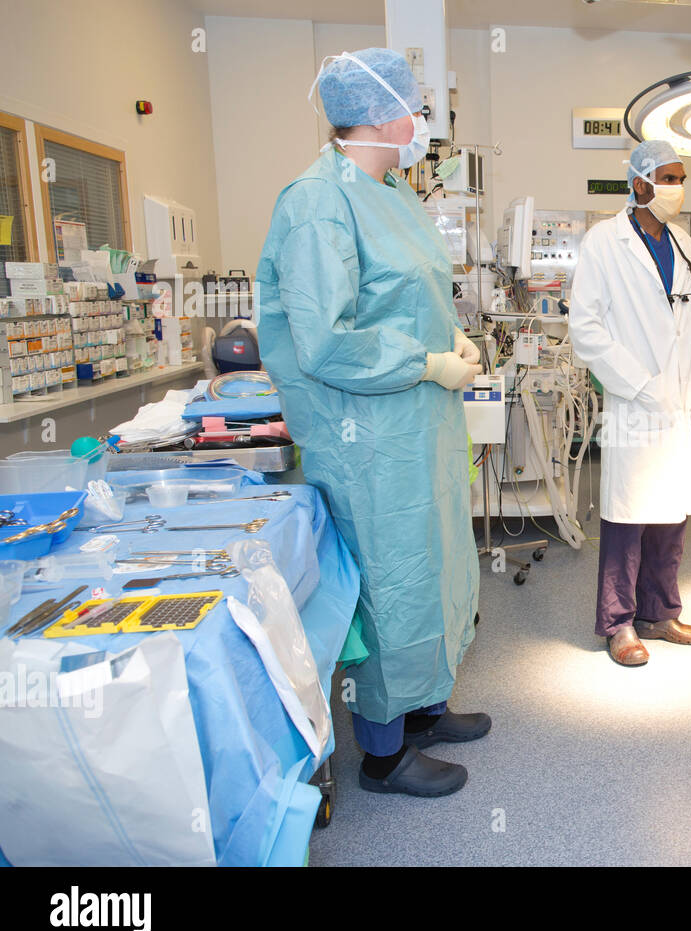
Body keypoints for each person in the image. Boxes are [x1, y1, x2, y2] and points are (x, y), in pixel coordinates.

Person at [257, 49, 490, 798]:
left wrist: (451, 339)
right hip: (365, 431)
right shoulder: (318, 202)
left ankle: (423, 708)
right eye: (418, 107)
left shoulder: (393, 189)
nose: (423, 120)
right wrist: (423, 361)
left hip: (418, 424)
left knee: (435, 563)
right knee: (389, 580)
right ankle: (384, 754)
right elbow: (325, 340)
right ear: (386, 113)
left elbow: (412, 295)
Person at [568, 139, 691, 667]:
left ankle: (660, 612)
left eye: (682, 179)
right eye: (670, 178)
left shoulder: (683, 243)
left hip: (678, 403)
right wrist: (639, 383)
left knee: (670, 514)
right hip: (634, 402)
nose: (678, 188)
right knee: (628, 516)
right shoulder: (604, 242)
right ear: (640, 184)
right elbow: (585, 329)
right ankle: (618, 622)